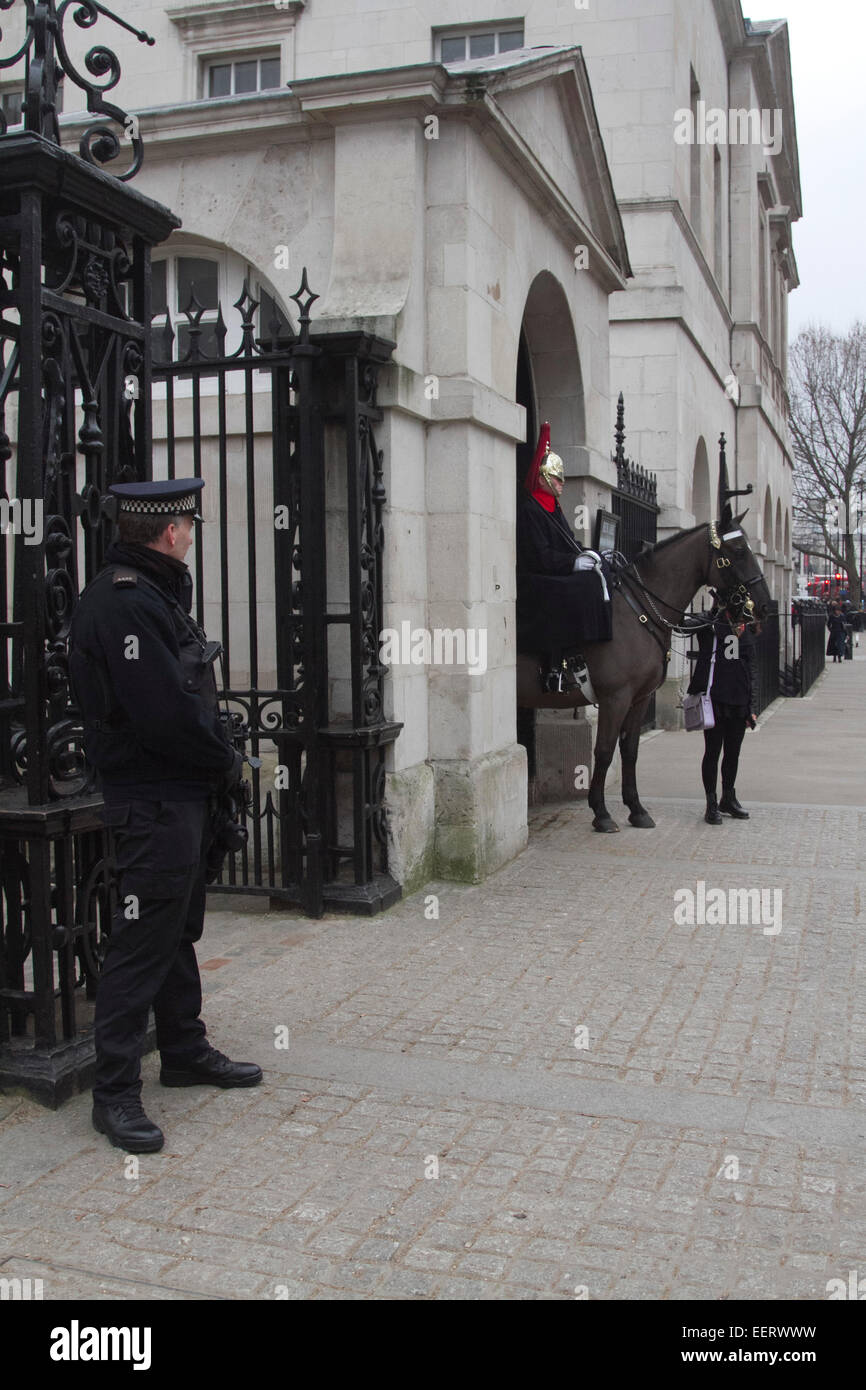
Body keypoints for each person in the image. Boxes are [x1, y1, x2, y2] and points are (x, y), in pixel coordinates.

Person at [68, 479, 262, 1155]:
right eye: (188, 523)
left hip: (178, 795)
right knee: (140, 941)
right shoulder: (122, 605)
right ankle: (114, 1092)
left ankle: (183, 1049)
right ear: (169, 531)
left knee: (175, 928)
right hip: (152, 798)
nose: (191, 532)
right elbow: (164, 713)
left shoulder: (150, 596)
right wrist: (223, 760)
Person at [516, 423, 611, 689]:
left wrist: (585, 554)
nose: (562, 482)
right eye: (557, 478)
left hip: (553, 570)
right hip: (535, 576)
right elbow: (540, 555)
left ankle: (588, 645)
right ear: (544, 478)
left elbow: (567, 540)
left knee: (595, 579)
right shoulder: (531, 510)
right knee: (572, 590)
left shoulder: (552, 507)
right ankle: (556, 666)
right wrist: (572, 563)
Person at [687, 602, 757, 825]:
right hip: (715, 699)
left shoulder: (745, 628)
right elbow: (682, 626)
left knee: (733, 753)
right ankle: (711, 803)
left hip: (739, 700)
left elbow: (750, 667)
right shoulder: (710, 625)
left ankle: (728, 797)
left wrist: (751, 706)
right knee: (713, 752)